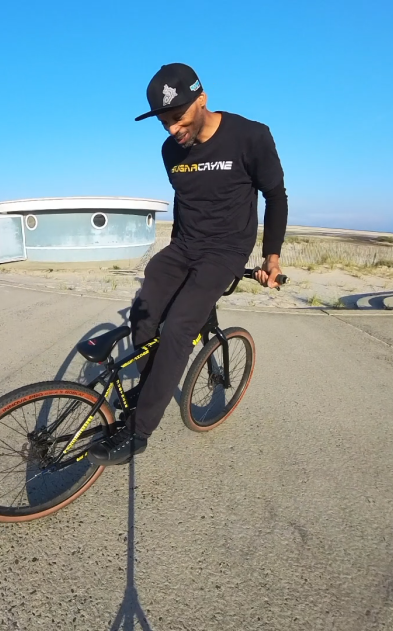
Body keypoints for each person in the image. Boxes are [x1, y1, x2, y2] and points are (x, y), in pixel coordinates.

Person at [88, 63, 288, 466]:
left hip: (226, 250)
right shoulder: (169, 151)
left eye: (177, 118)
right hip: (186, 245)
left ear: (202, 100)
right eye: (163, 122)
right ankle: (150, 385)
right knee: (145, 312)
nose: (171, 130)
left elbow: (276, 196)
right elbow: (185, 199)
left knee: (180, 326)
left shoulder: (251, 136)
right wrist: (175, 254)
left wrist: (271, 257)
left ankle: (139, 430)